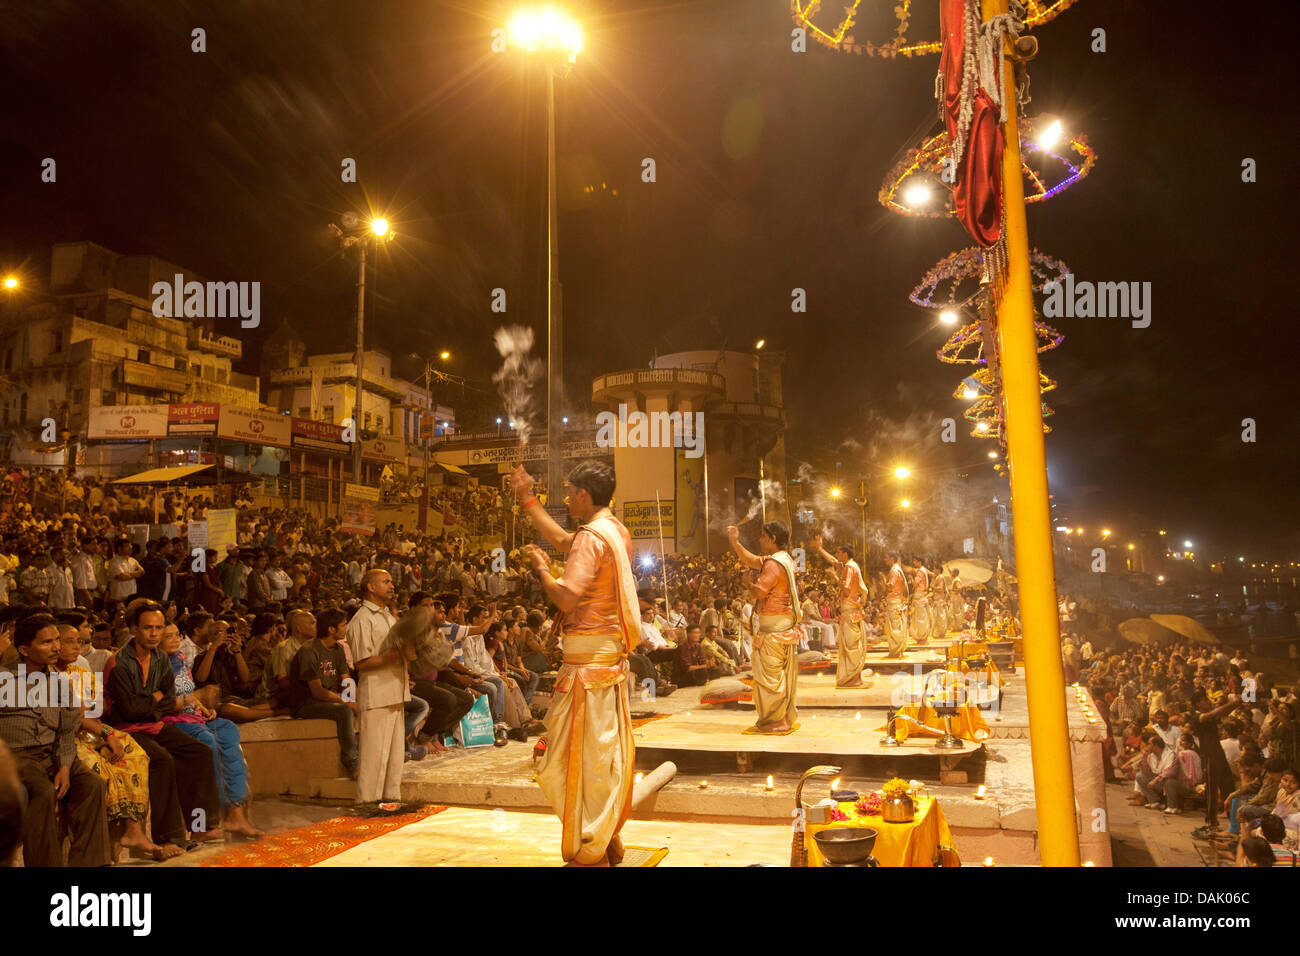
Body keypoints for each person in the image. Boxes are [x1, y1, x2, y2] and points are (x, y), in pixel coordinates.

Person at [512, 460, 639, 866]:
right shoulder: (615, 531)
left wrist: (542, 571)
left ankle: (591, 844)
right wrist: (528, 500)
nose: (566, 498)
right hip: (605, 661)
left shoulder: (593, 537)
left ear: (584, 494)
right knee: (601, 758)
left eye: (568, 491)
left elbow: (567, 597)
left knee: (573, 762)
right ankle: (604, 837)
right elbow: (568, 540)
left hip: (586, 668)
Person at [104, 601, 223, 849]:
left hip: (154, 725)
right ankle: (169, 838)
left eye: (159, 627)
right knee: (161, 760)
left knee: (200, 751)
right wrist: (156, 698)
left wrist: (154, 700)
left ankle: (200, 828)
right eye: (148, 628)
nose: (154, 633)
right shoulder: (119, 662)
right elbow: (130, 710)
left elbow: (169, 701)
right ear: (134, 629)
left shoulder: (160, 659)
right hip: (126, 729)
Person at [48, 621, 170, 859]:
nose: (78, 647)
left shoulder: (82, 673)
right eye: (69, 641)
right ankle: (118, 839)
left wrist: (107, 735)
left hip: (89, 730)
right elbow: (72, 716)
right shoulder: (45, 675)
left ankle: (134, 831)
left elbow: (91, 712)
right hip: (64, 737)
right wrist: (103, 734)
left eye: (80, 642)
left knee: (135, 755)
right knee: (102, 767)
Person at [0, 613, 112, 866]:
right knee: (42, 792)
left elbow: (66, 730)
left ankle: (90, 864)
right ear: (24, 649)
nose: (56, 648)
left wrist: (63, 765)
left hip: (52, 753)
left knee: (92, 783)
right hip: (16, 756)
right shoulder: (4, 679)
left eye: (56, 641)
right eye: (46, 643)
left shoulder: (61, 682)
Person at [162, 625, 263, 838]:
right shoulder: (156, 662)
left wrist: (203, 706)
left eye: (176, 635)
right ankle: (204, 824)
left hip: (194, 716)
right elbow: (167, 702)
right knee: (207, 744)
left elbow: (188, 694)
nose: (174, 639)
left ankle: (235, 814)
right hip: (173, 721)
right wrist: (193, 699)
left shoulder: (179, 658)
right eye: (167, 636)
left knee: (228, 730)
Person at [727, 519, 802, 734]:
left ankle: (776, 720)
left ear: (772, 538)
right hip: (783, 625)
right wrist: (735, 541)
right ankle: (783, 718)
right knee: (779, 676)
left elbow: (760, 592)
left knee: (770, 678)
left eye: (762, 536)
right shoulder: (784, 559)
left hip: (773, 629)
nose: (760, 540)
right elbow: (749, 559)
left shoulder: (773, 564)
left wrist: (747, 584)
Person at [347, 569, 412, 805]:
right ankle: (366, 804)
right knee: (373, 755)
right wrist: (396, 657)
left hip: (394, 690)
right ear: (370, 587)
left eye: (392, 581)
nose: (392, 585)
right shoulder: (362, 619)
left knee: (395, 756)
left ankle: (390, 800)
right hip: (376, 694)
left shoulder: (387, 616)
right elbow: (362, 663)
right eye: (386, 581)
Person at [814, 536, 868, 688]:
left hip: (850, 611)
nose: (837, 555)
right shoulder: (850, 565)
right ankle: (853, 677)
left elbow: (845, 589)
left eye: (838, 553)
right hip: (852, 611)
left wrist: (834, 577)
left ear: (845, 554)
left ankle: (853, 678)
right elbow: (833, 561)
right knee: (851, 645)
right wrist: (820, 549)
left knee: (850, 646)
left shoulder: (849, 568)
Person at [884, 553, 910, 657]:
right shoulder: (898, 569)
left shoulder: (894, 570)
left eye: (886, 557)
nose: (885, 560)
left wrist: (882, 582)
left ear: (891, 558)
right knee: (898, 626)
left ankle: (897, 651)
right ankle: (898, 650)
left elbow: (890, 586)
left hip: (895, 602)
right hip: (898, 601)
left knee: (895, 628)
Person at [909, 557, 932, 647]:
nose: (914, 562)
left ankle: (922, 637)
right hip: (923, 596)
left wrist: (911, 578)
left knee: (920, 619)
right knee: (923, 618)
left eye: (915, 561)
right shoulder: (924, 571)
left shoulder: (920, 572)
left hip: (919, 597)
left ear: (919, 562)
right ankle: (923, 637)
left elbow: (915, 584)